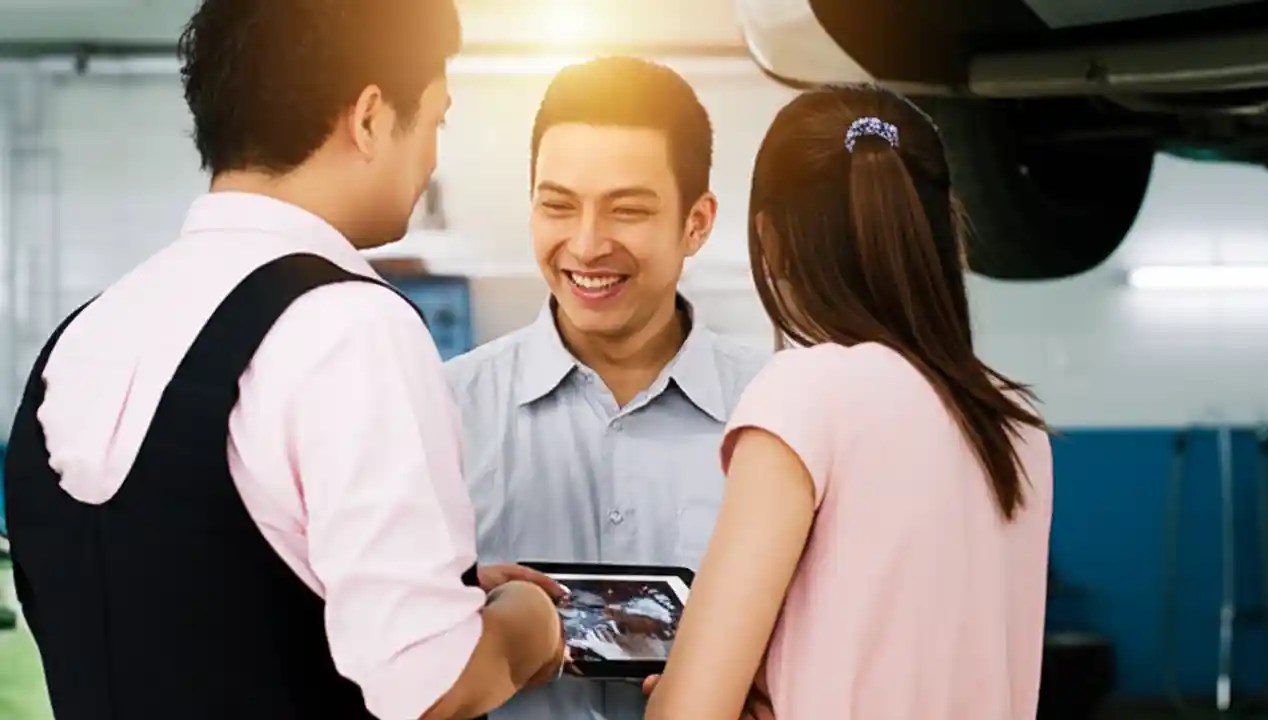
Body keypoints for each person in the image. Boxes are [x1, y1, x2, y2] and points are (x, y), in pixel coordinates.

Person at [2, 2, 566, 719]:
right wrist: (526, 624)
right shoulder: (350, 323)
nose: (430, 157)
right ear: (369, 119)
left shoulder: (82, 337)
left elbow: (167, 585)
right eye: (435, 121)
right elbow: (432, 686)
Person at [643, 84, 1054, 720]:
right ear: (943, 228)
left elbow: (687, 713)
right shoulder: (1015, 425)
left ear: (771, 239)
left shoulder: (805, 392)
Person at [445, 57, 769, 720]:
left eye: (627, 211)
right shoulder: (445, 409)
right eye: (557, 206)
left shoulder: (777, 415)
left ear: (697, 224)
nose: (587, 246)